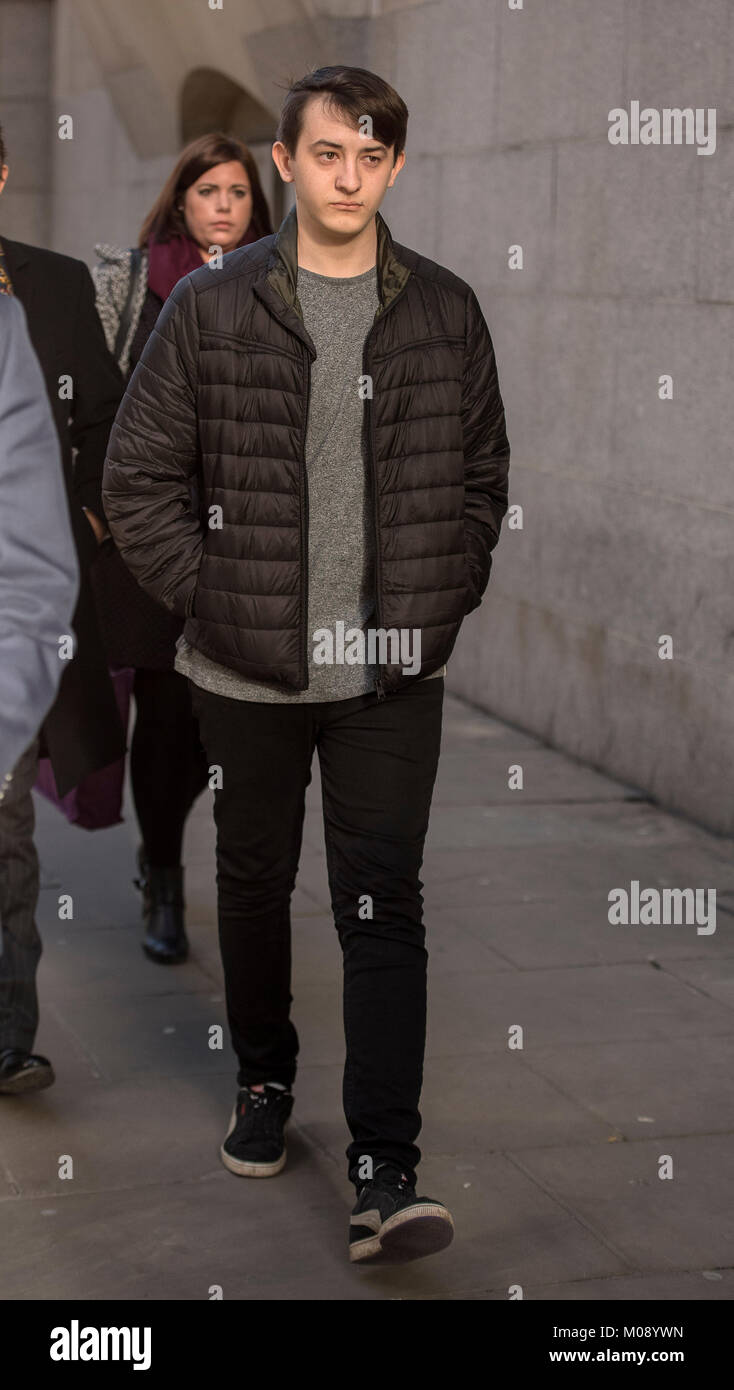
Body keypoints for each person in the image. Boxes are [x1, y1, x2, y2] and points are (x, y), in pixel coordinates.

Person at [102, 65, 510, 1264]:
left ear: (393, 167)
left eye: (370, 156)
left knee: (384, 907)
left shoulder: (442, 308)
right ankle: (265, 1082)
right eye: (326, 153)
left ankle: (386, 1167)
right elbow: (137, 480)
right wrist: (220, 604)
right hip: (246, 674)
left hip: (387, 673)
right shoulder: (214, 306)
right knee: (256, 883)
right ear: (286, 161)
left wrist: (435, 606)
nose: (348, 176)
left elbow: (482, 481)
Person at [91, 133, 273, 964]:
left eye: (239, 192)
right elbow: (87, 405)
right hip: (153, 543)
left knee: (218, 723)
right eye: (209, 191)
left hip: (246, 545)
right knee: (164, 717)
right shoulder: (129, 286)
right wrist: (97, 510)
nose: (225, 205)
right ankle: (162, 874)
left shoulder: (281, 285)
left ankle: (168, 842)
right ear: (181, 202)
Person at [0, 125, 126, 1095]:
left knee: (6, 835)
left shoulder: (49, 284)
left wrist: (82, 516)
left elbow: (104, 422)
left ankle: (7, 1039)